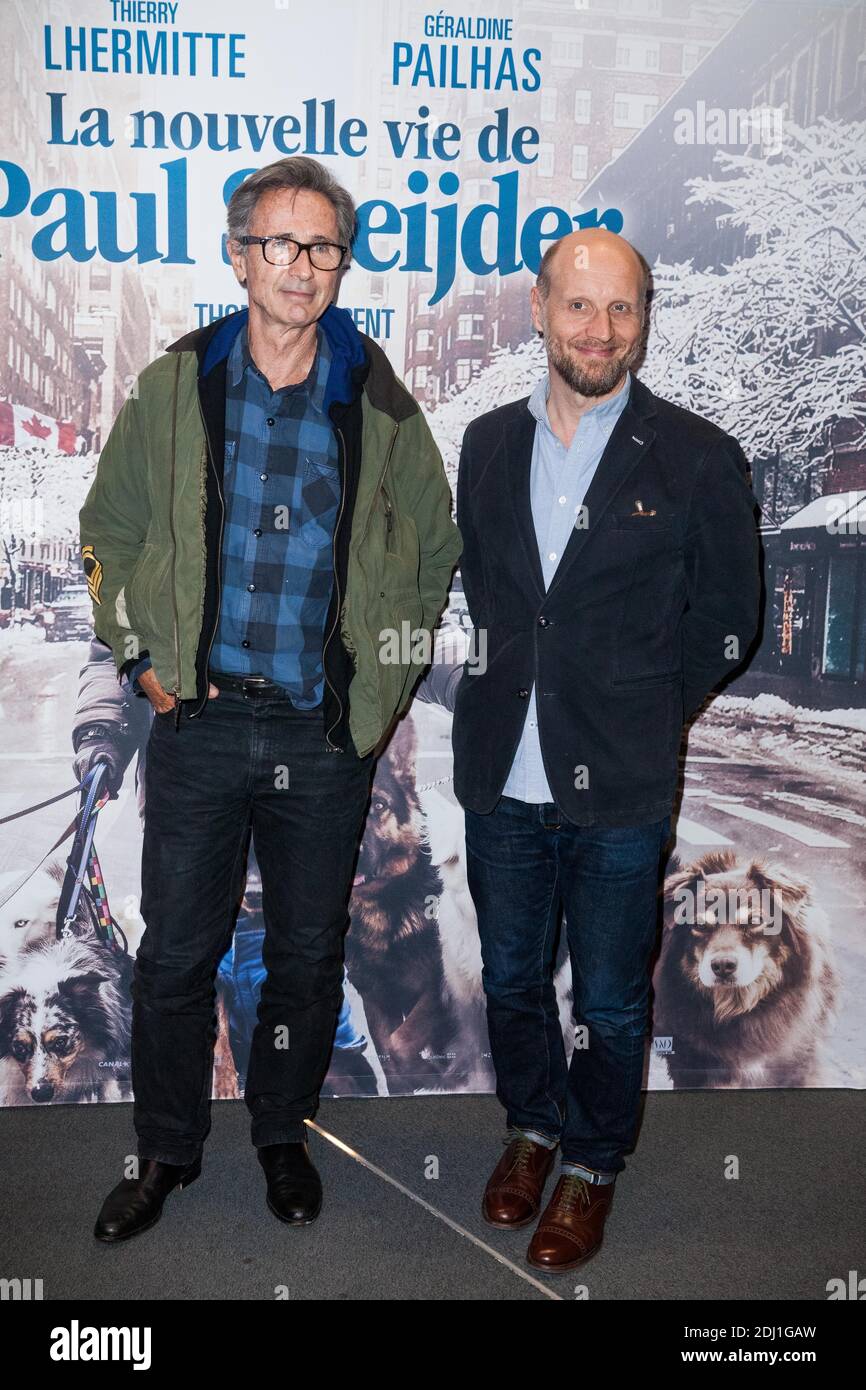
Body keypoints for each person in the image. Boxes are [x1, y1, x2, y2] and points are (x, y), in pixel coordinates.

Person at [79, 155, 462, 1242]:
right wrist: (137, 652)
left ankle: (282, 1133)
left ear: (342, 262)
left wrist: (378, 692)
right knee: (176, 955)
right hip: (195, 721)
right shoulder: (174, 385)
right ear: (239, 255)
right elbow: (104, 535)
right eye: (279, 244)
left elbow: (433, 552)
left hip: (319, 732)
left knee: (304, 951)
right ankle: (164, 1151)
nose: (301, 267)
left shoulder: (378, 398)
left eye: (322, 247)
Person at [452, 227, 761, 1273]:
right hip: (502, 774)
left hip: (622, 786)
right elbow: (497, 600)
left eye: (620, 307)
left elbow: (729, 615)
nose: (598, 328)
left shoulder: (696, 455)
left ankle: (590, 1163)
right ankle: (531, 1129)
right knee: (508, 979)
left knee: (613, 999)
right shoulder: (486, 444)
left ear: (643, 318)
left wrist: (646, 706)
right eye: (577, 305)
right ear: (538, 310)